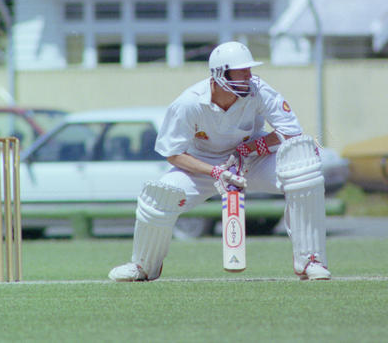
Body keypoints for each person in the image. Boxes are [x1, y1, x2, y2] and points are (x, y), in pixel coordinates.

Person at [109, 41, 330, 281]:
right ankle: (143, 266)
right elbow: (173, 153)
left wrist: (250, 148)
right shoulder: (189, 103)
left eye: (250, 69)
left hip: (251, 159)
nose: (249, 75)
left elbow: (291, 132)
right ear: (219, 74)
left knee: (303, 164)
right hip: (203, 166)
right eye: (242, 70)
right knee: (159, 196)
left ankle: (310, 260)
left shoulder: (258, 90)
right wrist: (215, 172)